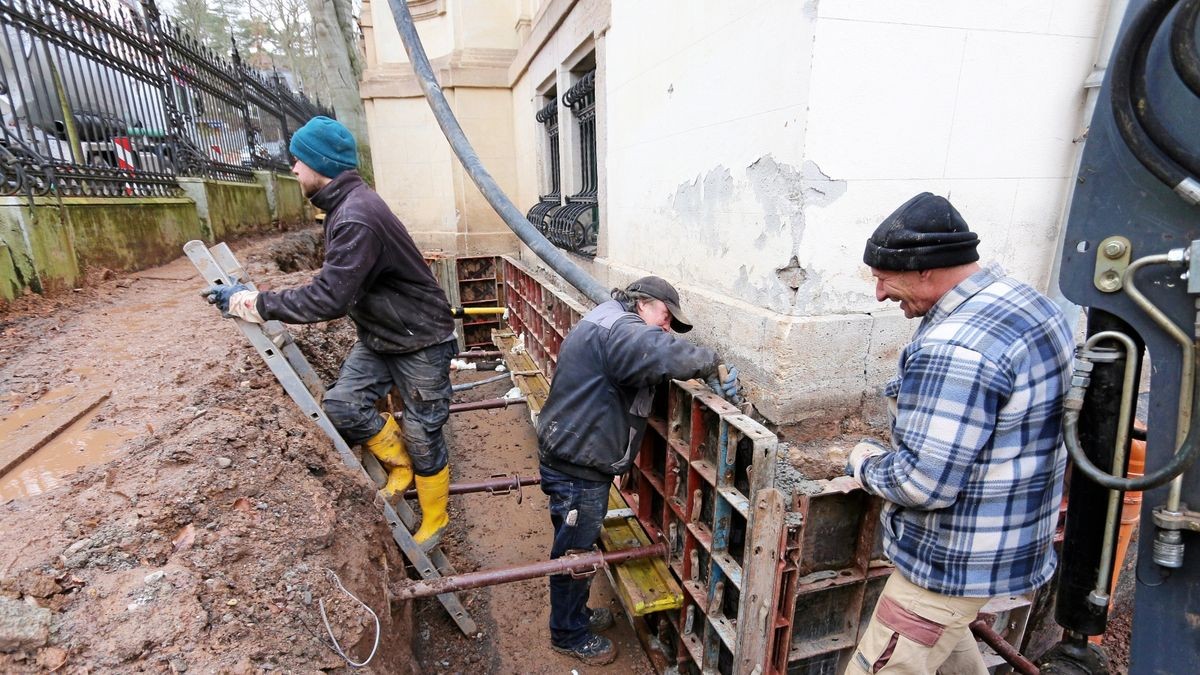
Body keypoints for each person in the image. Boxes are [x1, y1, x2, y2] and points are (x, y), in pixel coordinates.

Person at [202, 116, 457, 552]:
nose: (294, 170)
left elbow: (328, 299)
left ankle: (436, 519)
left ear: (320, 163)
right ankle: (401, 467)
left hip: (421, 339)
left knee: (423, 430)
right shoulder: (344, 207)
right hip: (383, 334)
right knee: (341, 406)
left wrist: (254, 302)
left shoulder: (356, 216)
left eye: (298, 161)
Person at [845, 193, 1073, 674]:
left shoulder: (955, 347)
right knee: (948, 652)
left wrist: (863, 462)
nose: (880, 294)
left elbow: (921, 483)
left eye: (886, 278)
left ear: (927, 270)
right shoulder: (1029, 303)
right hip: (1005, 545)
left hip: (946, 566)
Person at [536, 276, 738, 665]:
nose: (666, 328)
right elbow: (656, 351)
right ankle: (567, 633)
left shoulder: (611, 320)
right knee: (574, 551)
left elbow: (644, 362)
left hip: (573, 451)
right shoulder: (626, 332)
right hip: (577, 464)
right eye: (665, 317)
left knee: (574, 540)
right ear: (642, 303)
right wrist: (712, 363)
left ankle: (574, 616)